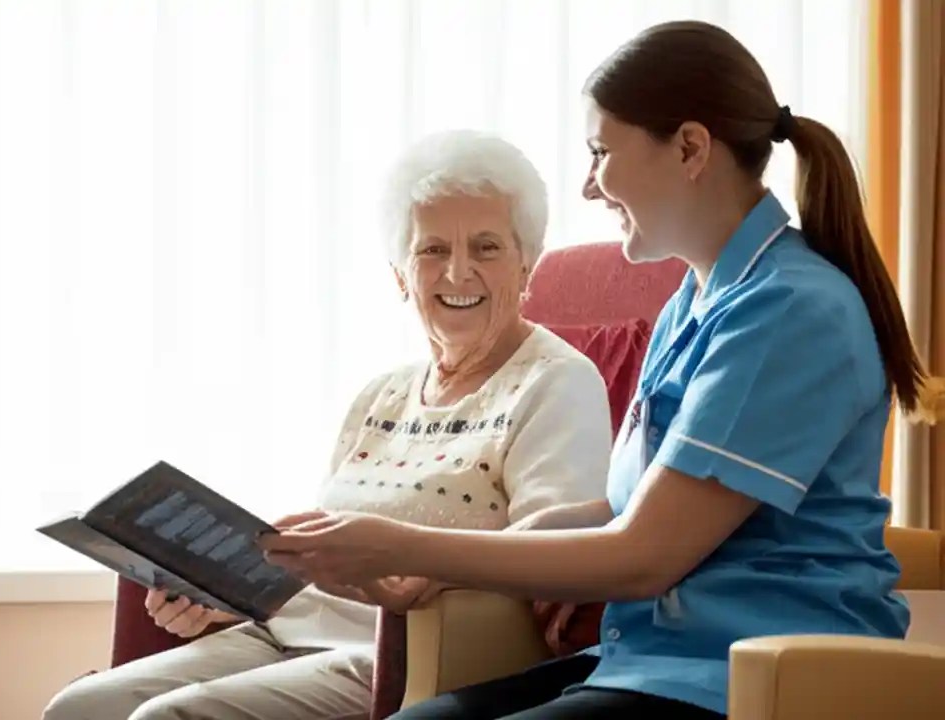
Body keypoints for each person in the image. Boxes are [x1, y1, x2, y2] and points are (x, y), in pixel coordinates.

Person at [260, 21, 944, 720]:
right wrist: (429, 560)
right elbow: (624, 510)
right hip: (652, 662)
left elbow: (644, 555)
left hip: (748, 676)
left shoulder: (790, 311)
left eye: (600, 153)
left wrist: (402, 543)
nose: (589, 187)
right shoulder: (697, 300)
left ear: (689, 148)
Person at [41, 130, 614, 720]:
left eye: (487, 247)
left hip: (402, 653)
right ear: (400, 275)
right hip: (285, 631)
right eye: (432, 250)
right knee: (82, 707)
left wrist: (420, 574)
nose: (457, 272)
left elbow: (552, 557)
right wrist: (229, 599)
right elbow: (328, 566)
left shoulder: (557, 382)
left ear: (528, 264)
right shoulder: (382, 393)